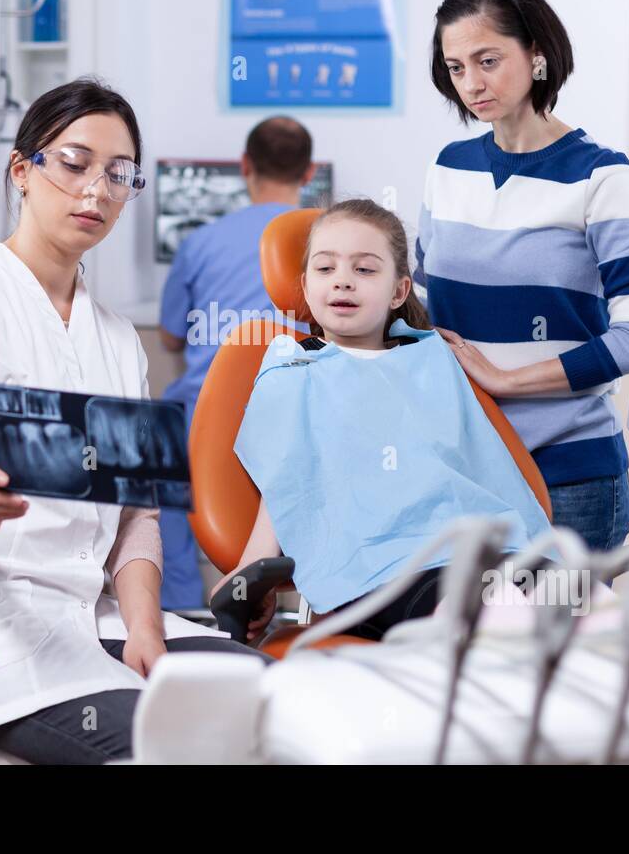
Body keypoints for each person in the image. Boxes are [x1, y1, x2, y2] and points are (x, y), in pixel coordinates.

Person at [0, 77, 268, 766]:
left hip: (90, 615)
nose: (96, 190)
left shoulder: (116, 340)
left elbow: (139, 513)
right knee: (174, 743)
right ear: (22, 171)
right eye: (75, 163)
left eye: (119, 174)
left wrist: (146, 627)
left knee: (271, 699)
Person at [212, 199, 551, 642]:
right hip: (383, 569)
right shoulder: (295, 368)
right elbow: (289, 479)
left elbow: (477, 464)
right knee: (492, 613)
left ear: (399, 290)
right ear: (305, 284)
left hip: (482, 550)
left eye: (365, 270)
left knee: (578, 601)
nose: (343, 282)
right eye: (325, 269)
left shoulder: (432, 357)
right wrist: (250, 573)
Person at [418, 0, 629, 552]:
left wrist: (506, 380)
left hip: (569, 476)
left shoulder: (599, 175)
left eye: (488, 60)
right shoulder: (449, 167)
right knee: (460, 644)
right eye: (456, 68)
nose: (471, 83)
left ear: (536, 53)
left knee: (561, 643)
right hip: (462, 466)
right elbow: (425, 310)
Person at [156, 116, 315, 608]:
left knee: (162, 474)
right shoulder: (324, 241)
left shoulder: (200, 242)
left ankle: (180, 609)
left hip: (205, 418)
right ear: (309, 174)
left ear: (245, 166)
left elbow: (169, 336)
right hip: (298, 416)